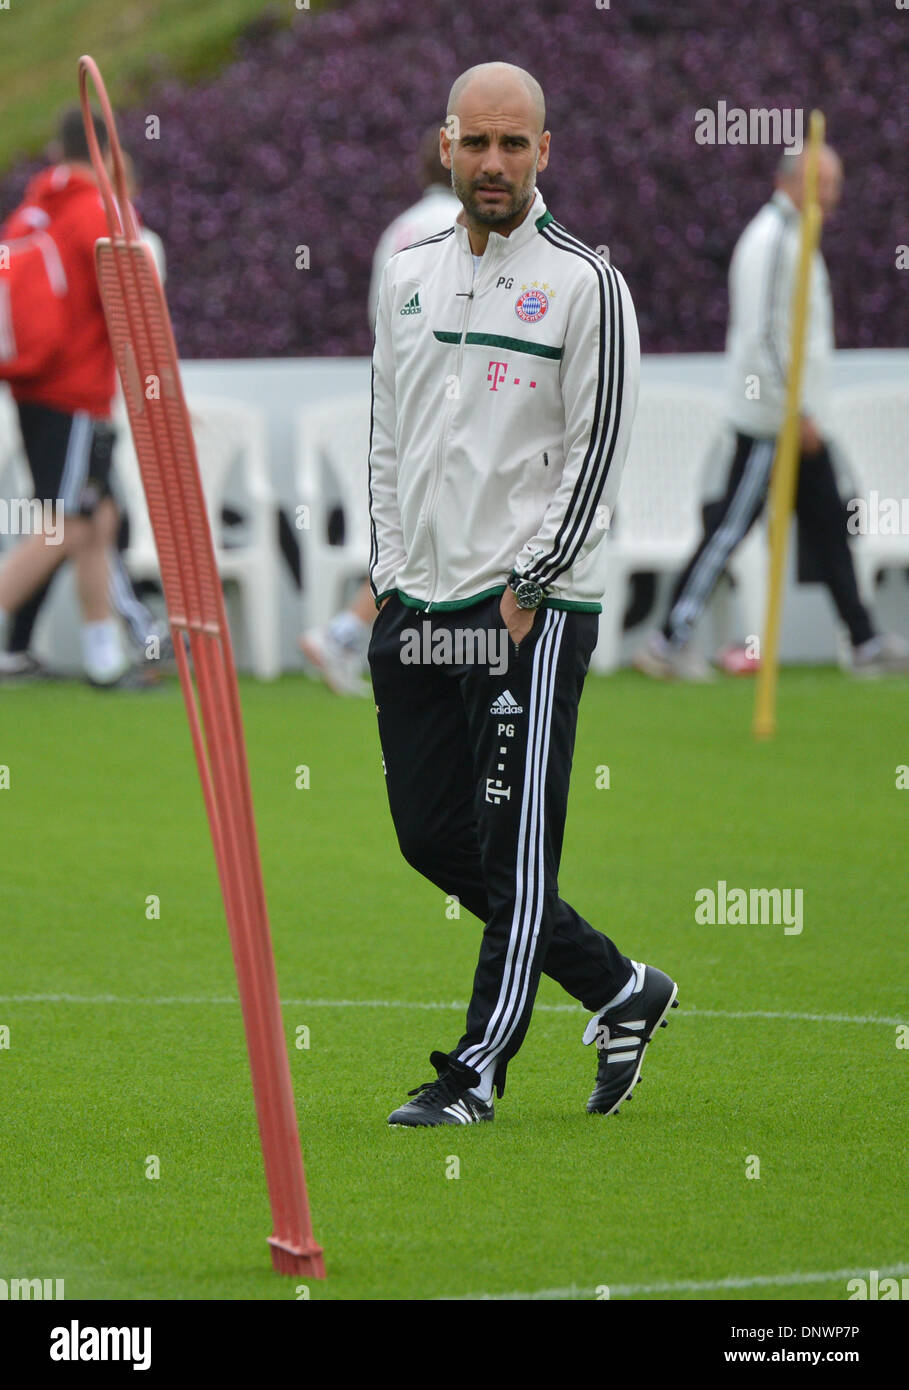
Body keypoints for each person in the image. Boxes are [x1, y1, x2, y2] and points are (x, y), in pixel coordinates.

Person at [367, 61, 677, 1128]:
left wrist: (533, 581)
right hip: (419, 606)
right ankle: (621, 986)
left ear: (545, 152)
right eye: (475, 142)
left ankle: (475, 1073)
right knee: (432, 836)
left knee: (513, 848)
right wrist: (387, 569)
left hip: (530, 615)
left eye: (514, 144)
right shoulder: (407, 272)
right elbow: (387, 439)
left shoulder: (589, 283)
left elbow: (598, 452)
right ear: (446, 145)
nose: (492, 162)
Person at [634, 146, 909, 681]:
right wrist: (796, 411)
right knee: (729, 529)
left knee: (829, 526)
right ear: (794, 182)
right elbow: (764, 337)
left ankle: (864, 639)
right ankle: (667, 640)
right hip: (773, 424)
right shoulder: (776, 240)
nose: (834, 196)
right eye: (824, 183)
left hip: (797, 422)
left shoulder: (794, 237)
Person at [0, 139, 170, 682]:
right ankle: (106, 651)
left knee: (97, 518)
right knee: (66, 524)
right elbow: (128, 296)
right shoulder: (96, 210)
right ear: (108, 153)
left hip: (34, 386)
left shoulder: (33, 209)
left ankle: (104, 658)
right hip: (75, 389)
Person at [299, 128, 461, 696]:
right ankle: (347, 632)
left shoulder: (401, 228)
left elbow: (381, 320)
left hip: (402, 399)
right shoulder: (468, 227)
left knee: (422, 532)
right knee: (433, 533)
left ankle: (356, 635)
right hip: (453, 402)